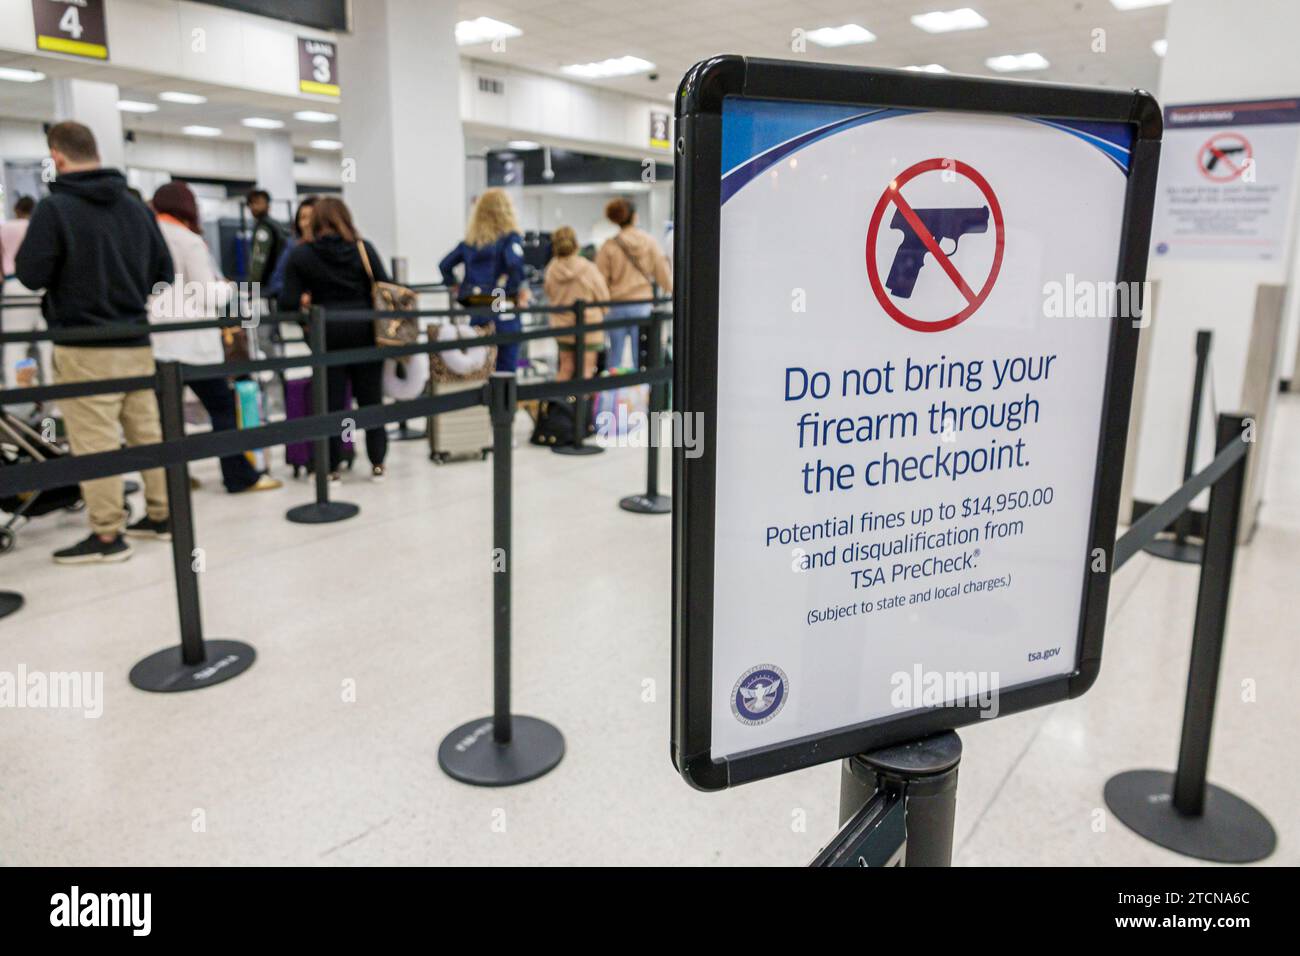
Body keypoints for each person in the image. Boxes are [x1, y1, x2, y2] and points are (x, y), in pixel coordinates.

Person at [15, 121, 173, 564]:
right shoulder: (135, 206)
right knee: (148, 434)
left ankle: (107, 537)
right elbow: (163, 273)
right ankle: (163, 516)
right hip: (136, 340)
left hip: (84, 345)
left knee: (95, 443)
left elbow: (30, 275)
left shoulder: (56, 208)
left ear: (57, 156)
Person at [149, 181, 281, 495]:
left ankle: (173, 481)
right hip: (193, 341)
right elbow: (209, 295)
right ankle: (238, 477)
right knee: (222, 408)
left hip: (157, 339)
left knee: (167, 418)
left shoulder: (146, 235)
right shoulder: (188, 240)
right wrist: (227, 287)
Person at [277, 196, 389, 481]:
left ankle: (331, 467)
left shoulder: (302, 255)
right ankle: (377, 463)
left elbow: (287, 303)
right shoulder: (363, 248)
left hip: (326, 332)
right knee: (371, 399)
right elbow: (387, 285)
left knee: (330, 403)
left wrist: (307, 307)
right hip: (366, 329)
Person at [438, 188, 530, 373]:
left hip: (476, 306)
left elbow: (444, 265)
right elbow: (514, 265)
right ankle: (505, 401)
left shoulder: (470, 242)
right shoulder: (510, 239)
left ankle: (487, 400)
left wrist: (455, 285)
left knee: (482, 366)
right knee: (506, 365)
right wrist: (516, 290)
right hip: (501, 304)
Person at [596, 198, 671, 369]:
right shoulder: (649, 241)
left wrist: (602, 305)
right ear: (634, 217)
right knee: (643, 357)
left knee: (614, 357)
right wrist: (672, 290)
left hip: (615, 306)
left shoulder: (609, 246)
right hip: (642, 305)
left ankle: (612, 394)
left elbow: (600, 280)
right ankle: (642, 392)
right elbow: (662, 272)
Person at [2, 195, 54, 392]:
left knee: (16, 345)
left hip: (13, 285)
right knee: (47, 343)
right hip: (41, 286)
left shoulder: (4, 228)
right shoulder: (38, 228)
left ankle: (17, 392)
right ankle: (52, 392)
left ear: (16, 209)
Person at [543, 226, 609, 381]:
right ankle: (583, 404)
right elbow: (603, 297)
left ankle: (559, 404)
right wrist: (603, 311)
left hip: (562, 328)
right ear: (575, 243)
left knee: (566, 367)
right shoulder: (588, 268)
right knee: (587, 369)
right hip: (588, 327)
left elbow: (549, 293)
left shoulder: (552, 269)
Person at [267, 195, 317, 300]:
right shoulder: (292, 247)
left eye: (311, 217)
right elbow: (276, 283)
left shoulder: (332, 247)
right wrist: (299, 296)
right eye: (303, 218)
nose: (307, 223)